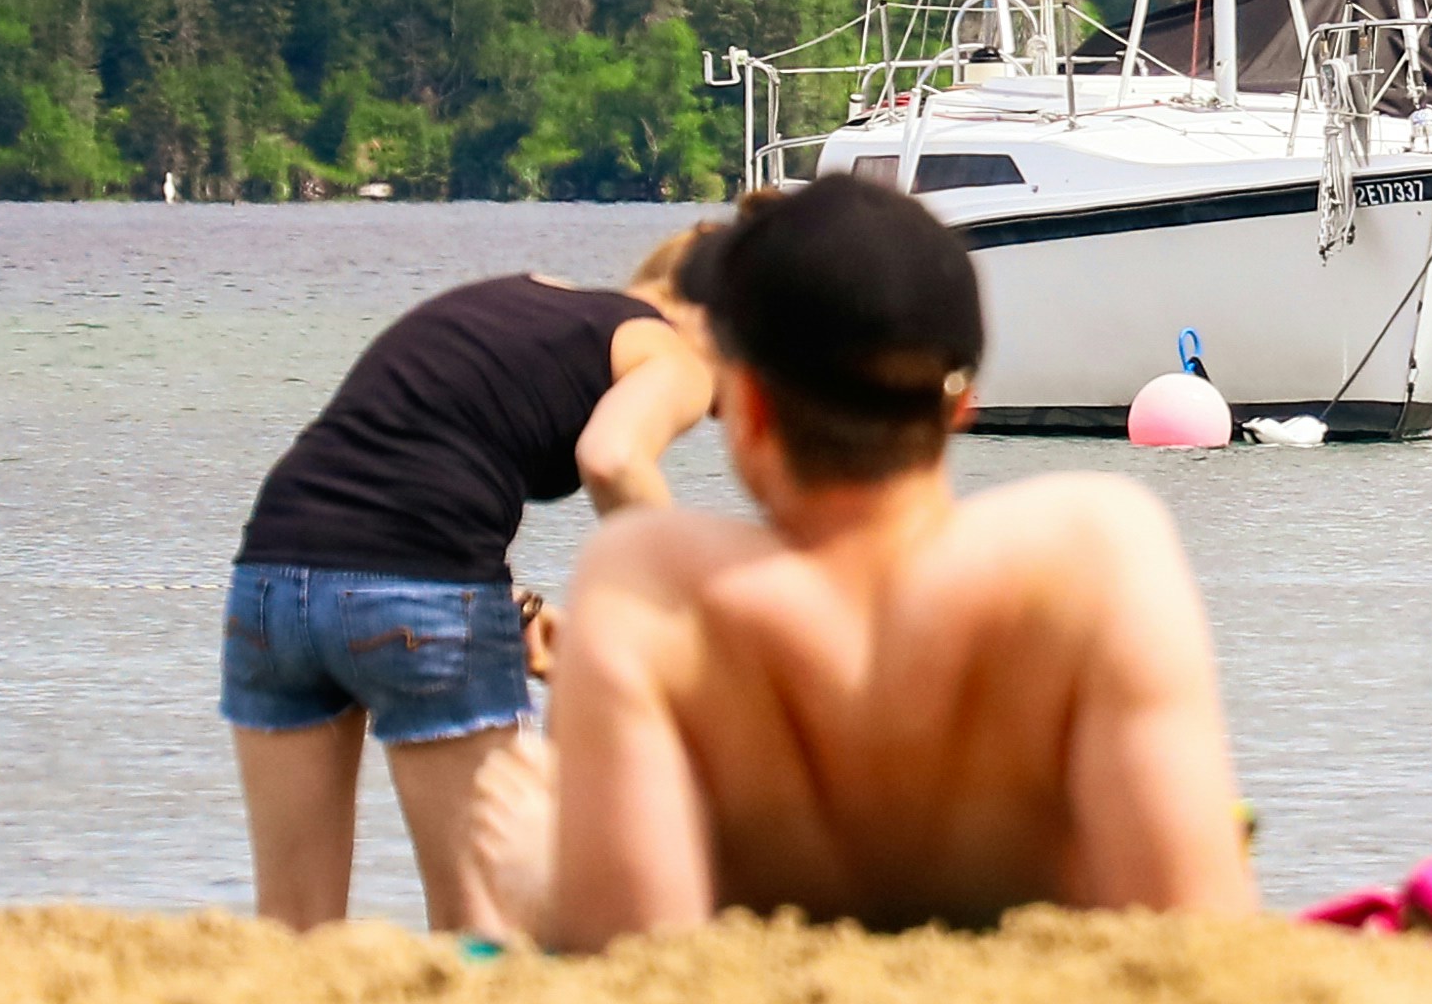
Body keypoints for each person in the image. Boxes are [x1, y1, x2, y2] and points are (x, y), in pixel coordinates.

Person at [541, 176, 1258, 949]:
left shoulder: (649, 587)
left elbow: (620, 945)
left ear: (746, 405)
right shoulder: (1097, 553)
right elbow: (1193, 929)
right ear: (961, 404)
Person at [224, 229, 720, 934]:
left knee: (293, 923)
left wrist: (507, 610)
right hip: (418, 591)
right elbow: (612, 459)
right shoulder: (671, 351)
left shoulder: (516, 302)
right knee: (487, 917)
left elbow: (422, 454)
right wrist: (677, 623)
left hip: (270, 583)